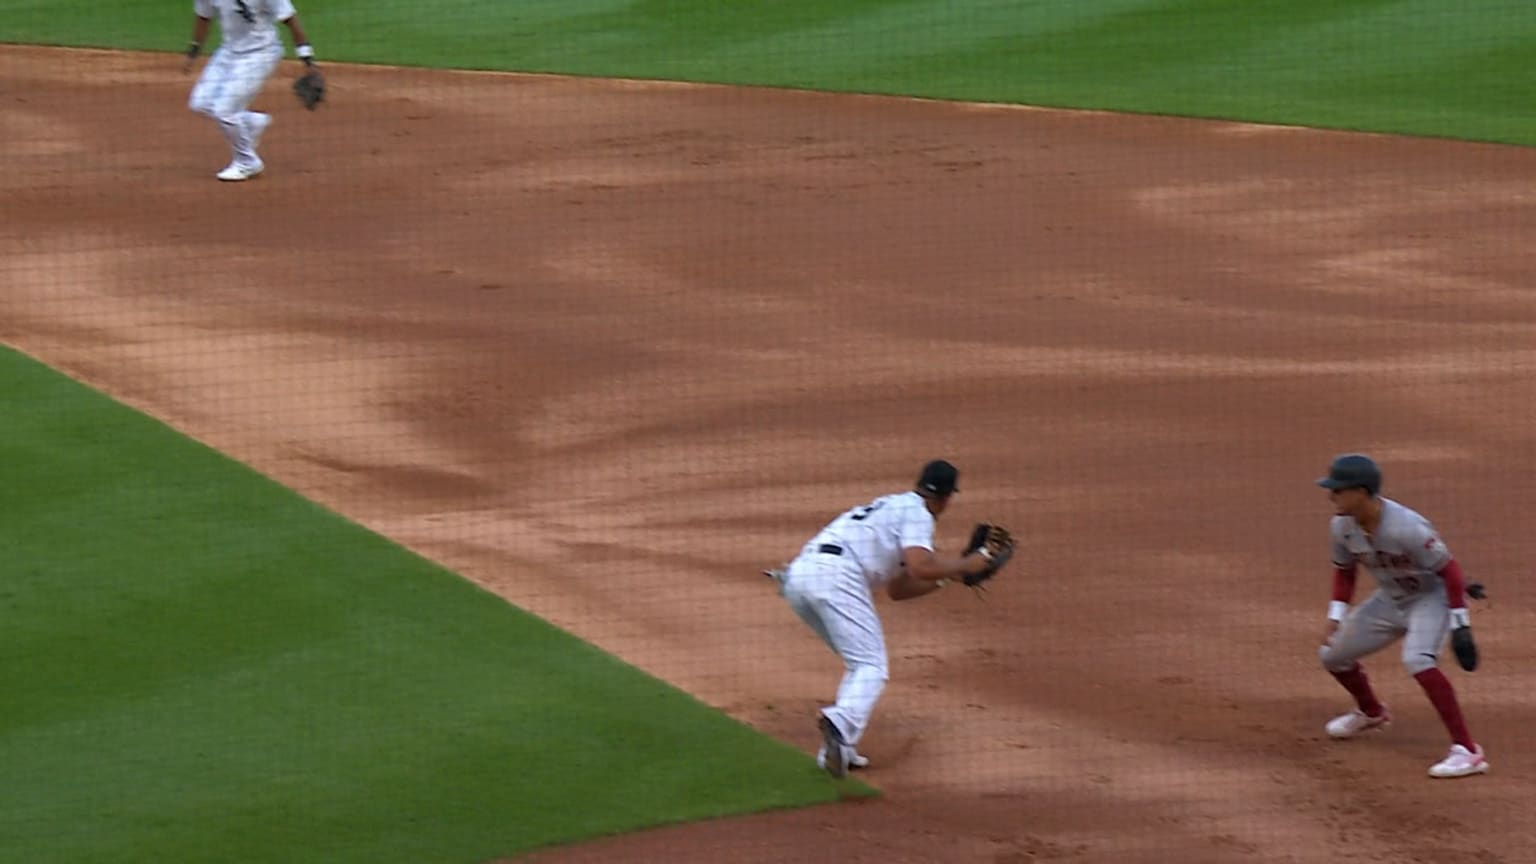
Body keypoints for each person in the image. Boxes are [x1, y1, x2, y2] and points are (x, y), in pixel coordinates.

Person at [771, 459, 1002, 777]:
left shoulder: (893, 506)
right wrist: (966, 564)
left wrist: (954, 576)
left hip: (800, 577)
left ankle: (839, 749)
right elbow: (920, 566)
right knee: (872, 666)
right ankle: (840, 722)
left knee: (861, 663)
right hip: (836, 577)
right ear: (948, 497)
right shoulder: (919, 514)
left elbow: (899, 589)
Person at [1315, 453, 1487, 778]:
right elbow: (1345, 572)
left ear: (1362, 492)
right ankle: (1371, 712)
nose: (1331, 496)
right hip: (1390, 600)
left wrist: (1460, 624)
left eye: (1338, 490)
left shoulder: (1406, 526)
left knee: (1418, 660)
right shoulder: (1341, 527)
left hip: (1429, 599)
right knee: (1332, 655)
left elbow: (1449, 570)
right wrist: (1335, 616)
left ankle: (1467, 751)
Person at [183, 0, 318, 181]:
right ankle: (251, 122)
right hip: (228, 52)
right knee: (200, 103)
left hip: (261, 54)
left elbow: (291, 21)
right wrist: (194, 51)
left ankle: (247, 162)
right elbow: (203, 17)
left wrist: (307, 60)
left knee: (224, 111)